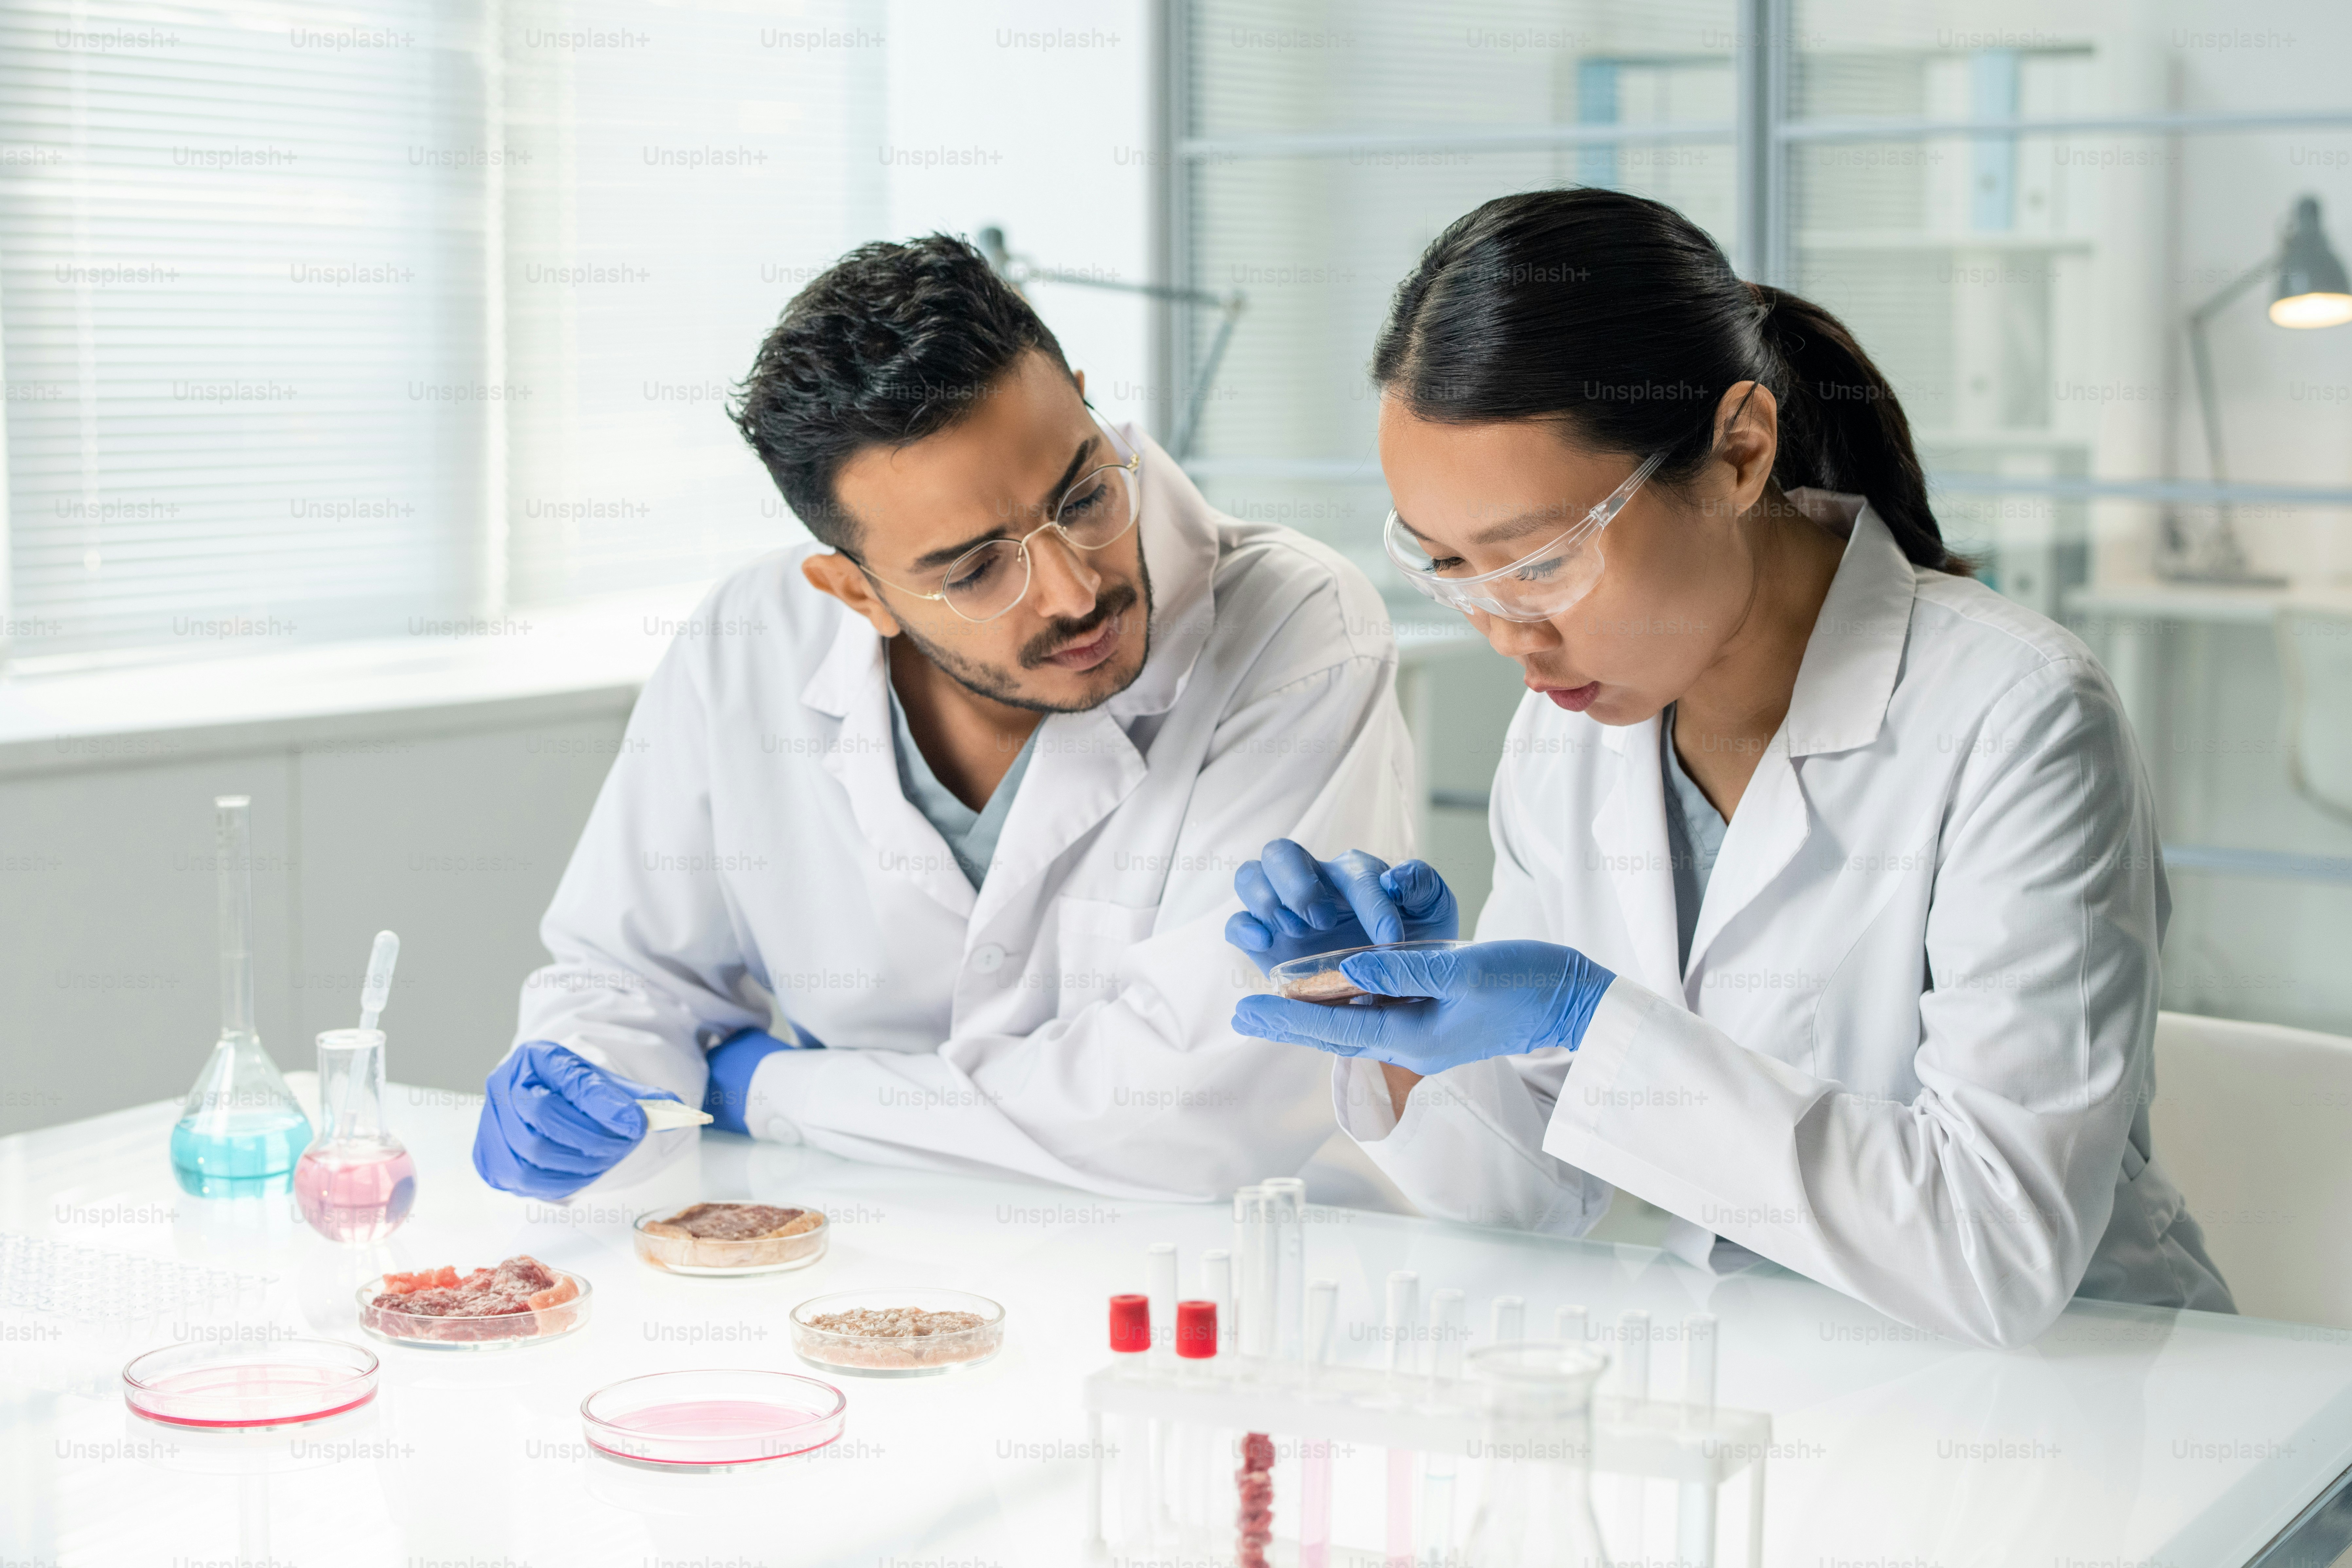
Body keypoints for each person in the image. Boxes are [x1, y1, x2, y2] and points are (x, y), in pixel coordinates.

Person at [1226, 188, 2233, 1349]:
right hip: (1762, 1382)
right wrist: (1408, 1032)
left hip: (2083, 1402)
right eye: (1451, 566)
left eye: (1543, 559)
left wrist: (1586, 1019)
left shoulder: (2018, 718)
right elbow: (1534, 1196)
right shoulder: (1572, 728)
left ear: (1739, 452)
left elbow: (1996, 1248)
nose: (1507, 629)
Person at [472, 235, 1416, 1203]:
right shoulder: (747, 643)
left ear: (1086, 403)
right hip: (857, 1261)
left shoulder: (1297, 630)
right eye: (976, 570)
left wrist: (766, 1085)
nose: (1074, 588)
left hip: (1205, 1283)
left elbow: (1190, 1112)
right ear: (856, 592)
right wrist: (582, 1065)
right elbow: (631, 978)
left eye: (1085, 494)